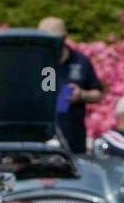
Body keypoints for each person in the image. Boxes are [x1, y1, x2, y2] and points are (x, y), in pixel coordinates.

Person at [38, 17, 102, 153]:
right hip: (43, 138)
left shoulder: (80, 61)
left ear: (65, 37)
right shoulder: (38, 62)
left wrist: (82, 95)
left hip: (74, 137)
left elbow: (98, 94)